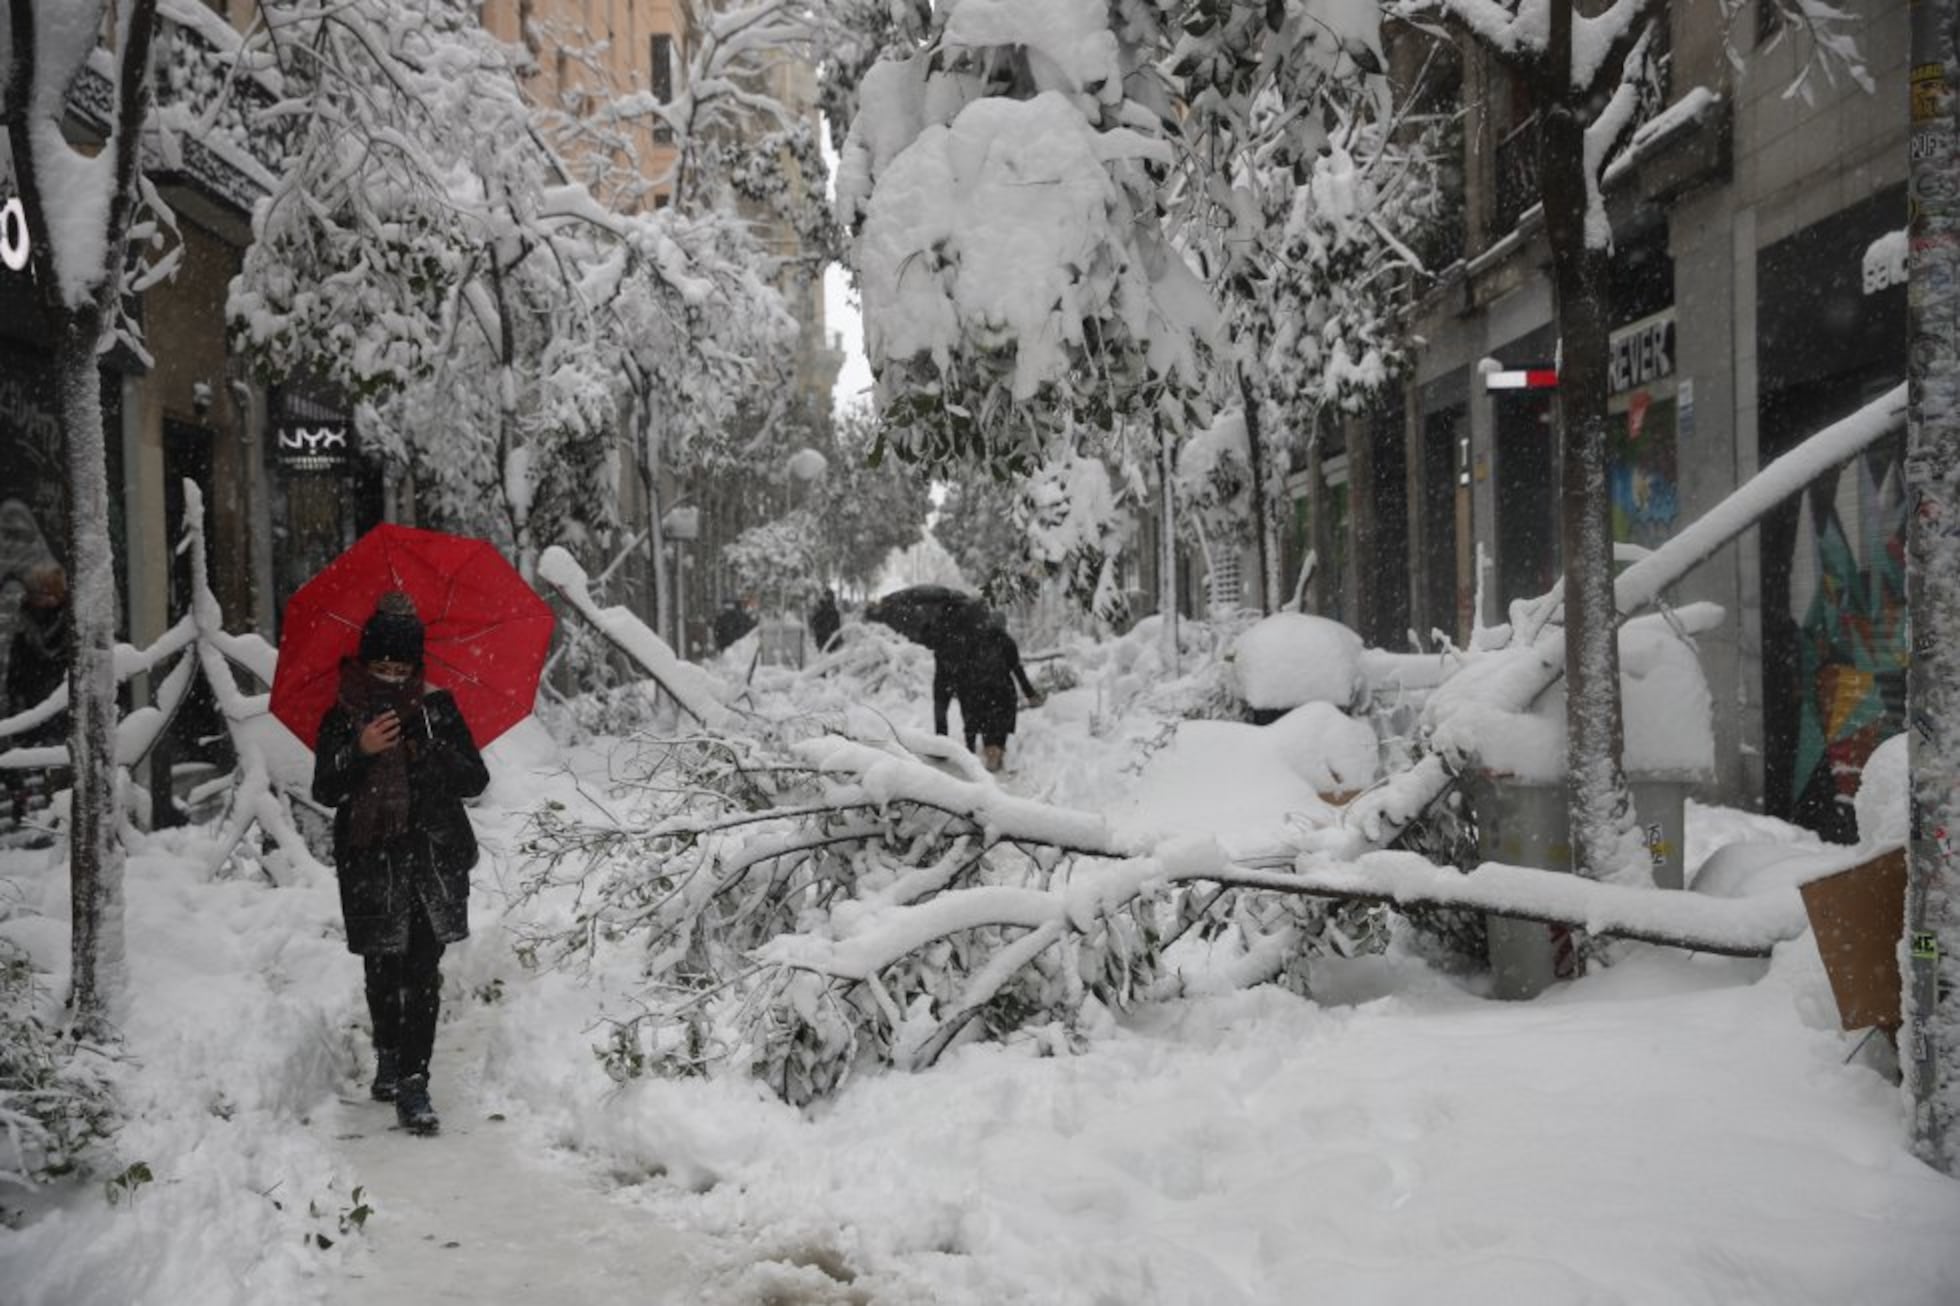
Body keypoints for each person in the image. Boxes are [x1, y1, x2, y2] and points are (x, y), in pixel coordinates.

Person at [311, 591, 488, 1136]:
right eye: (381, 666)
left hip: (430, 859)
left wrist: (432, 754)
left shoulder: (437, 708)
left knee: (421, 973)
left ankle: (414, 1082)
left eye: (401, 666)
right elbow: (326, 786)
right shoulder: (343, 712)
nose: (391, 676)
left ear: (416, 665)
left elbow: (475, 781)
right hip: (371, 862)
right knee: (382, 969)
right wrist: (359, 750)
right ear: (365, 663)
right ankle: (388, 1052)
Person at [933, 610, 1043, 773]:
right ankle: (995, 754)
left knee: (984, 723)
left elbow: (964, 667)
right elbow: (1017, 670)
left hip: (979, 691)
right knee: (1000, 724)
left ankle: (986, 754)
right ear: (1003, 625)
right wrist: (1030, 694)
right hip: (1003, 690)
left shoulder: (975, 641)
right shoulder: (1007, 642)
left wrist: (960, 687)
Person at [4, 562, 70, 825]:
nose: (40, 599)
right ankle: (35, 807)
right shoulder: (27, 629)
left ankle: (55, 812)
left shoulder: (65, 627)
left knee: (55, 764)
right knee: (39, 761)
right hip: (39, 707)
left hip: (53, 707)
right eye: (37, 594)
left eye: (45, 593)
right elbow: (15, 676)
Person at [808, 588, 841, 655]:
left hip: (830, 641)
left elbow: (834, 626)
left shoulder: (832, 611)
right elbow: (813, 621)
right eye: (826, 596)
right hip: (823, 640)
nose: (826, 598)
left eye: (828, 596)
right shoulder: (821, 609)